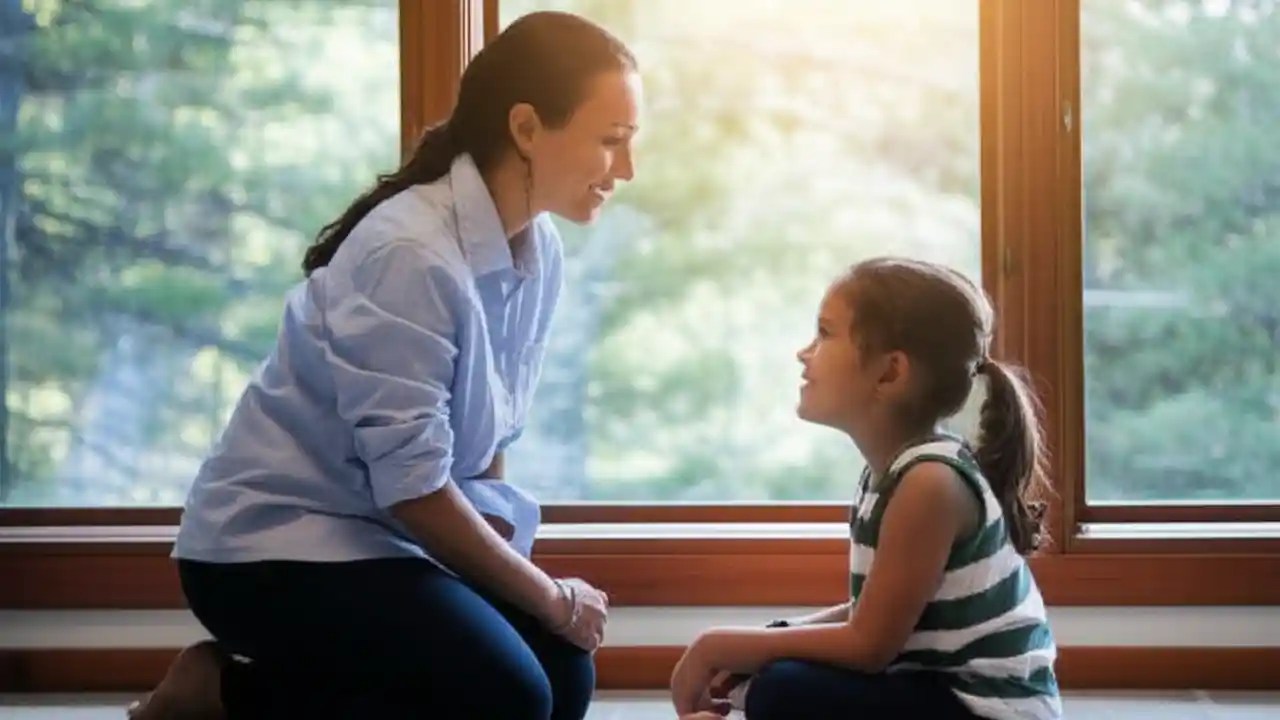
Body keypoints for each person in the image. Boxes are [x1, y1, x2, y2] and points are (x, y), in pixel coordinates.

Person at [127, 11, 641, 720]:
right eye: (611, 142)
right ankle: (222, 695)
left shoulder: (537, 248)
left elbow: (484, 443)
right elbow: (413, 488)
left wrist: (512, 593)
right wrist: (548, 597)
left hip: (388, 540)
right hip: (272, 548)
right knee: (508, 695)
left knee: (563, 677)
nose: (628, 170)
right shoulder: (410, 252)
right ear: (526, 128)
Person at [670, 257, 1062, 720]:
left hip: (983, 711)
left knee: (783, 691)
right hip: (934, 692)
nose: (804, 352)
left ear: (890, 372)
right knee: (778, 676)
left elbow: (869, 646)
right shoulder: (895, 472)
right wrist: (768, 639)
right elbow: (869, 613)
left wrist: (717, 645)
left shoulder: (930, 483)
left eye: (825, 332)